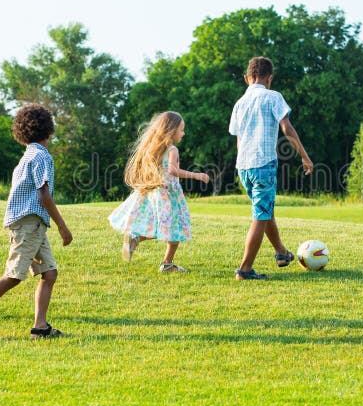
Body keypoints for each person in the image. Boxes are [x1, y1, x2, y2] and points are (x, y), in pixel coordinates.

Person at [0, 104, 73, 339]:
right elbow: (44, 194)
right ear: (48, 129)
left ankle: (40, 327)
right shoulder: (42, 156)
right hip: (29, 224)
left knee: (49, 273)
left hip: (32, 224)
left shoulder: (27, 156)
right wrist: (62, 225)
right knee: (13, 276)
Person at [228, 56, 313, 280]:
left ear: (247, 78)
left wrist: (242, 163)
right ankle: (245, 270)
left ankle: (281, 253)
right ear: (270, 78)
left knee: (265, 212)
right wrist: (305, 157)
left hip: (243, 166)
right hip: (263, 164)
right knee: (260, 216)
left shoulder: (239, 103)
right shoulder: (273, 97)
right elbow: (287, 128)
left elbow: (238, 138)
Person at [108, 111, 209, 273]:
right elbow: (173, 170)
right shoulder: (173, 149)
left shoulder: (156, 149)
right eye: (181, 130)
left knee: (162, 226)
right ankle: (167, 263)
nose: (183, 133)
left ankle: (136, 239)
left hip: (158, 191)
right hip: (170, 195)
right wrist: (196, 175)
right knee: (174, 228)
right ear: (172, 130)